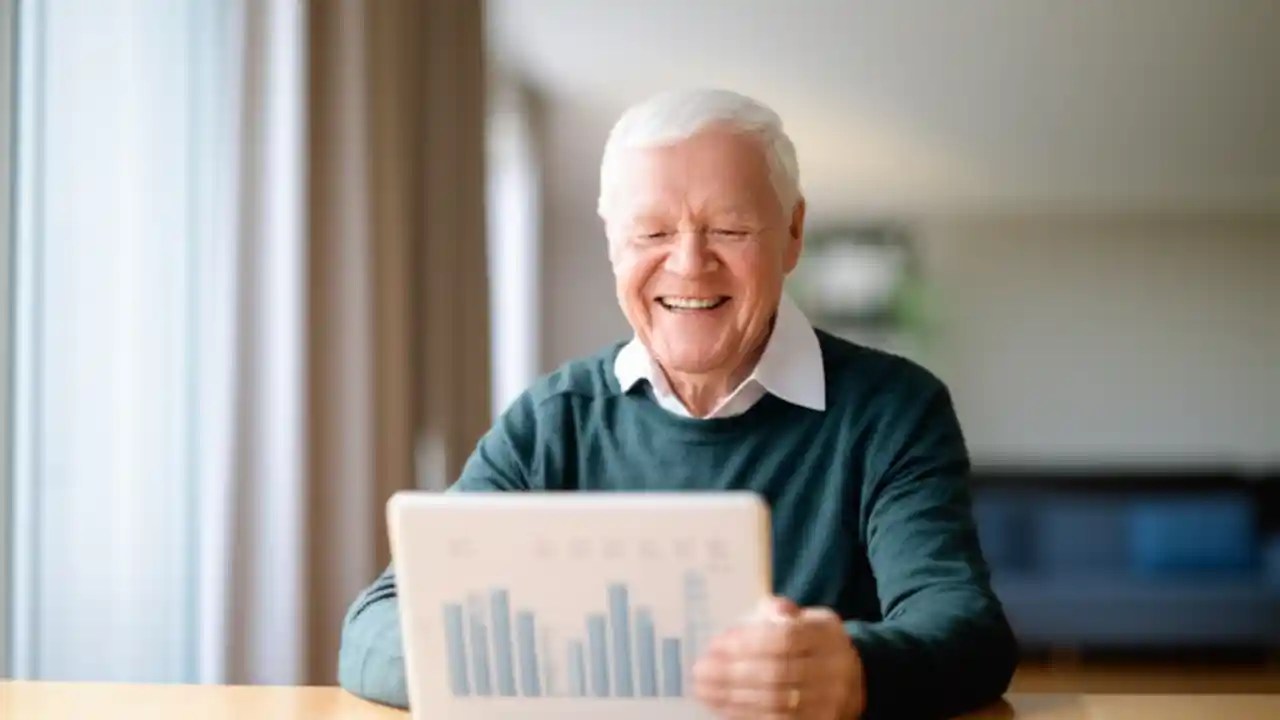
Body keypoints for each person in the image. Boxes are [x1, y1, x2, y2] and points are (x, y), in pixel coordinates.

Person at [338, 88, 1017, 719]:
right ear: (613, 242)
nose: (689, 264)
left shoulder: (893, 409)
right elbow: (375, 627)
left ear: (792, 233)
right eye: (653, 232)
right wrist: (539, 674)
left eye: (729, 229)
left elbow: (965, 628)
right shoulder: (554, 420)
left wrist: (854, 671)